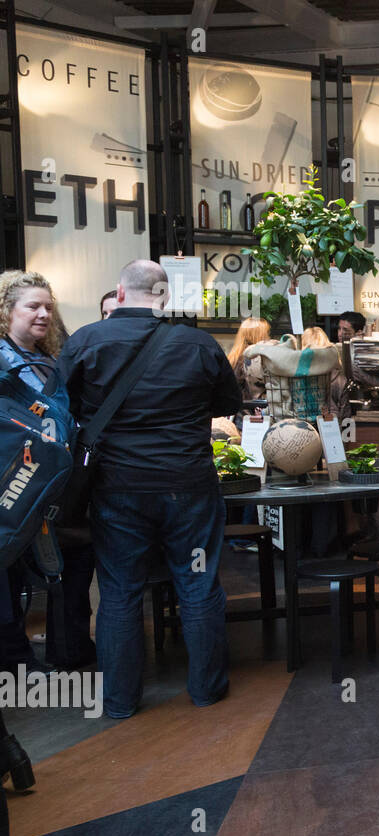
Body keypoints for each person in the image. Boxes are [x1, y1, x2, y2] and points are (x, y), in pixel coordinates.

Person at [58, 260, 242, 719]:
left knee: (120, 592)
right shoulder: (198, 344)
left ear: (119, 294)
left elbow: (63, 409)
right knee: (198, 584)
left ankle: (120, 702)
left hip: (117, 487)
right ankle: (206, 691)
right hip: (189, 487)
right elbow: (228, 404)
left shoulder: (84, 341)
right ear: (163, 296)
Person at [0, 271, 88, 673]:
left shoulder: (48, 360)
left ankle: (50, 652)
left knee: (49, 566)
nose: (43, 315)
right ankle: (16, 658)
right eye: (32, 306)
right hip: (10, 484)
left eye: (48, 307)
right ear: (6, 311)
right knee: (8, 573)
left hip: (45, 486)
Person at [300, 326, 349, 420]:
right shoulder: (339, 378)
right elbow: (345, 415)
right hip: (329, 428)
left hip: (302, 428)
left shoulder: (296, 376)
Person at [227, 317, 271, 405]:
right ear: (260, 335)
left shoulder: (233, 357)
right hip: (253, 410)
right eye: (267, 333)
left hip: (236, 410)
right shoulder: (256, 359)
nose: (268, 337)